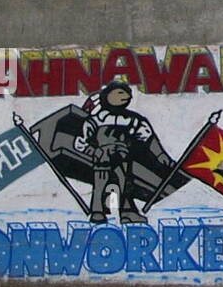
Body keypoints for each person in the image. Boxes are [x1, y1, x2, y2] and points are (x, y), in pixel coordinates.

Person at [74, 82, 174, 224]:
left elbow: (148, 138)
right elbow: (80, 142)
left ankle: (127, 212)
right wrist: (95, 152)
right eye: (118, 93)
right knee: (100, 185)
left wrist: (161, 155)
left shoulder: (133, 120)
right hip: (102, 158)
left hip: (123, 157)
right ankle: (97, 212)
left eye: (125, 93)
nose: (123, 97)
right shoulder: (96, 119)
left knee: (125, 185)